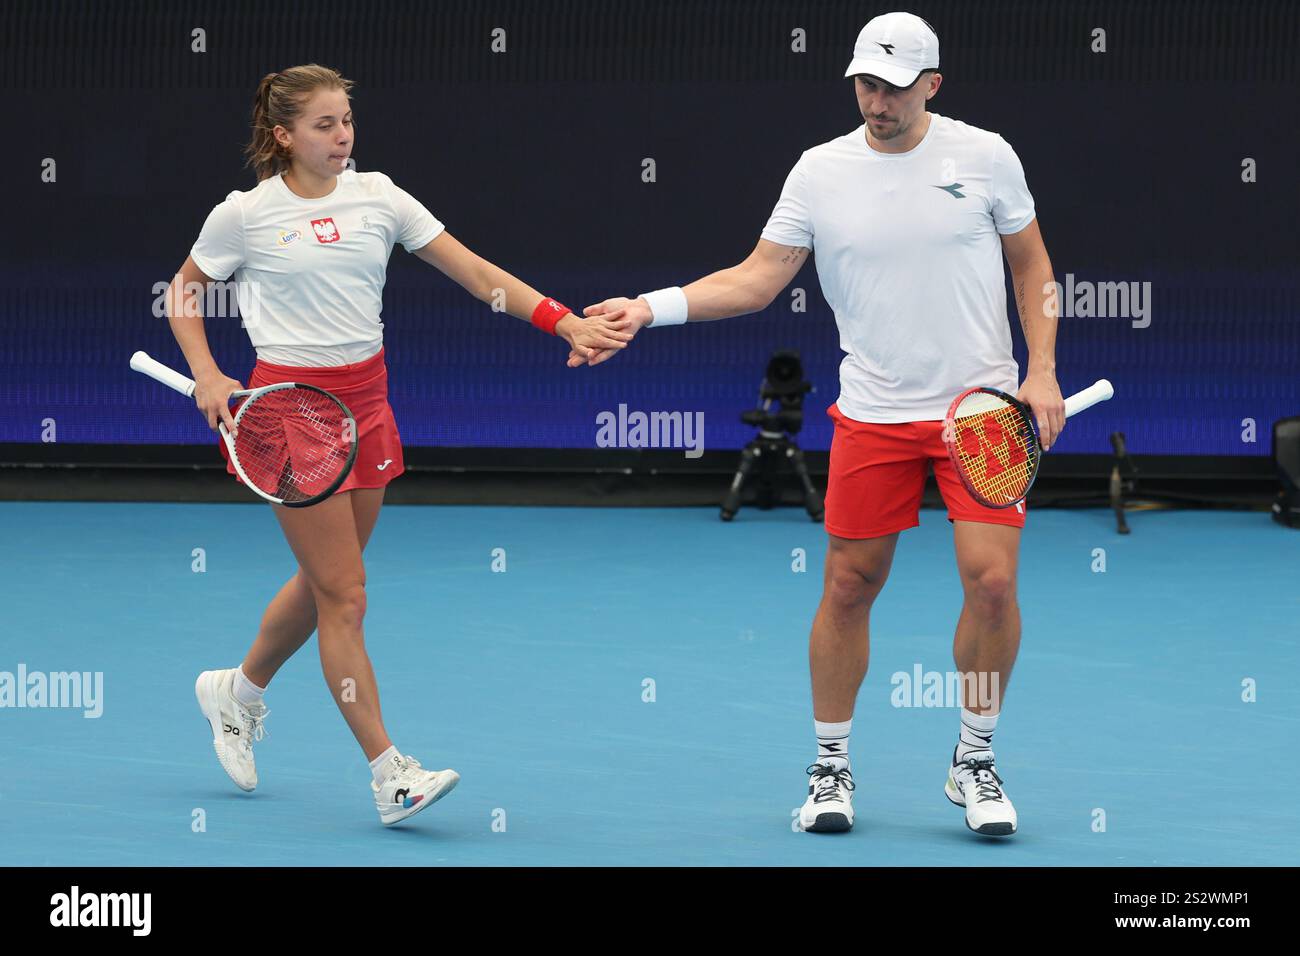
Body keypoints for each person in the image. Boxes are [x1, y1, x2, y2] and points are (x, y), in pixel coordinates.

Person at [575, 13, 1065, 837]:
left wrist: (1042, 369)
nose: (877, 101)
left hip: (978, 412)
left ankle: (974, 758)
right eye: (865, 84)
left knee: (993, 583)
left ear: (932, 86)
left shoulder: (986, 156)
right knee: (848, 586)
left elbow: (1033, 266)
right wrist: (647, 309)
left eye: (895, 88)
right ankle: (831, 766)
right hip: (872, 412)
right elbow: (758, 279)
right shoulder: (819, 171)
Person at [167, 63, 633, 826]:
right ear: (284, 136)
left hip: (367, 407)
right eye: (324, 124)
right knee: (346, 595)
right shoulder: (244, 215)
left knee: (329, 584)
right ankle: (391, 773)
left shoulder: (379, 196)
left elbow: (475, 272)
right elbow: (184, 289)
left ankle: (237, 690)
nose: (342, 134)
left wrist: (564, 321)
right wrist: (210, 374)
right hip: (287, 415)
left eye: (347, 120)